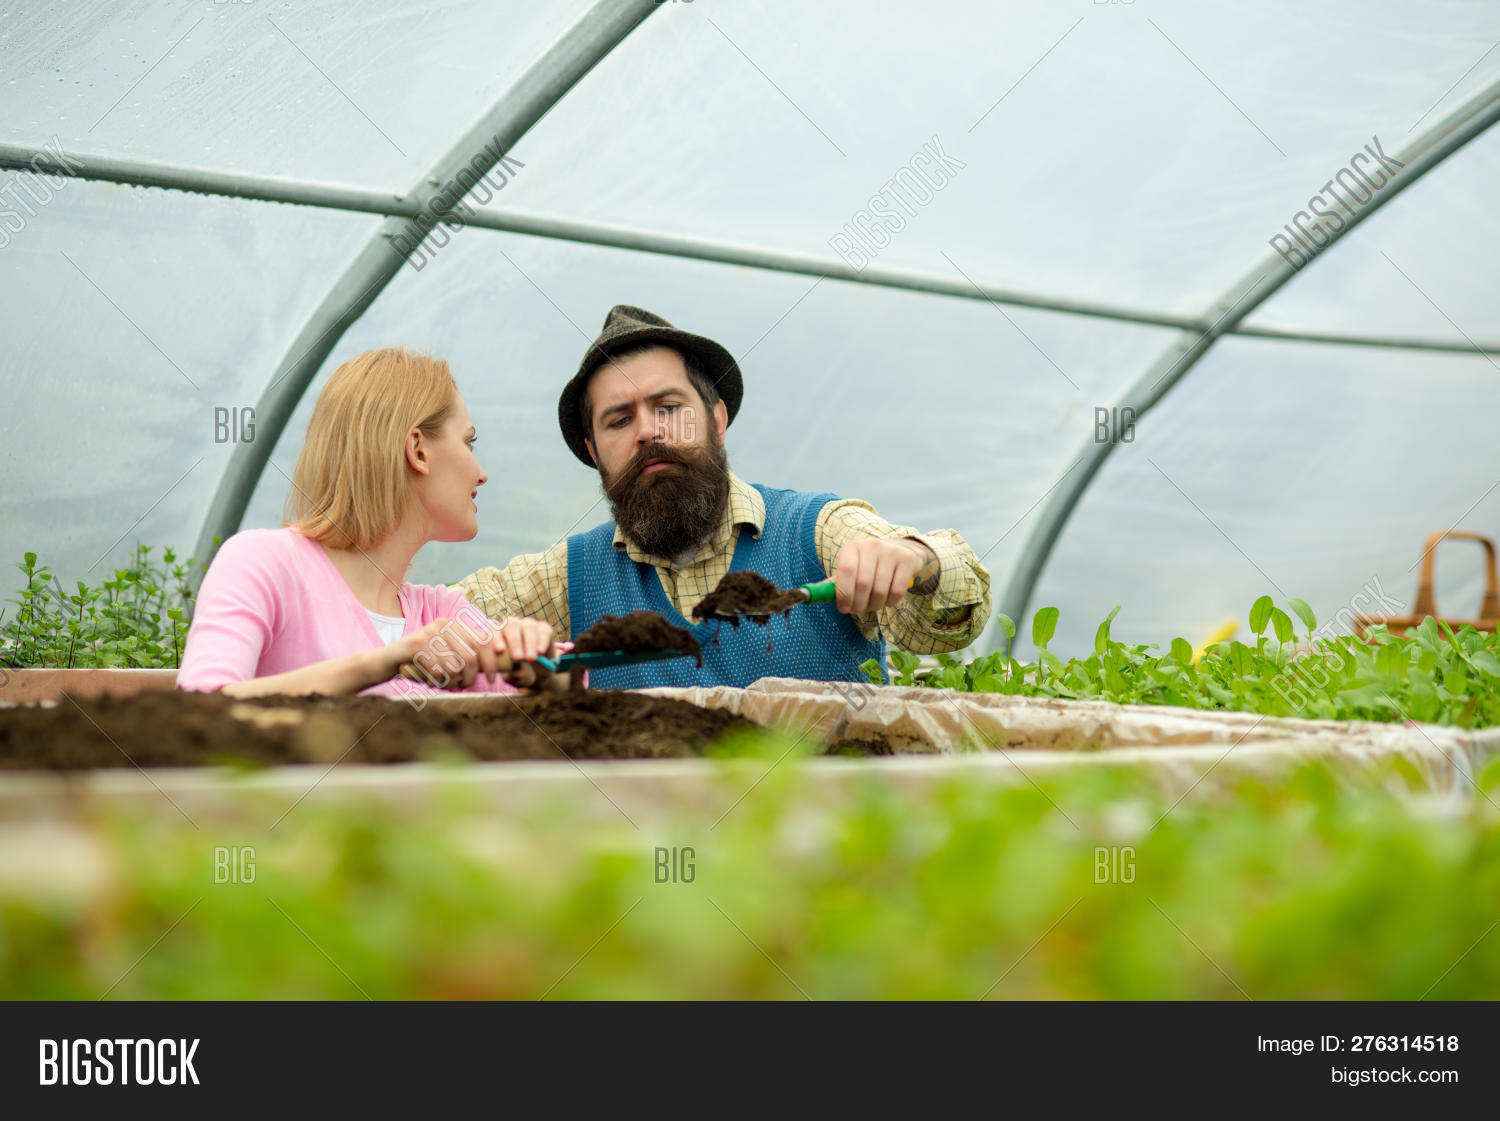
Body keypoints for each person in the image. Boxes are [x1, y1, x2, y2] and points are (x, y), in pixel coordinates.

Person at [457, 305, 992, 689]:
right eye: (620, 420)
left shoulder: (816, 530)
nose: (647, 432)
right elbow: (422, 624)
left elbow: (947, 619)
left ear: (715, 419)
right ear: (595, 453)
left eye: (668, 407)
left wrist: (916, 560)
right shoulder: (571, 578)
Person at [177, 347, 564, 700]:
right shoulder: (263, 562)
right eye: (469, 442)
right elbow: (202, 706)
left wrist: (536, 659)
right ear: (418, 450)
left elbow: (576, 680)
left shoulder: (440, 612)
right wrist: (382, 662)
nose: (481, 474)